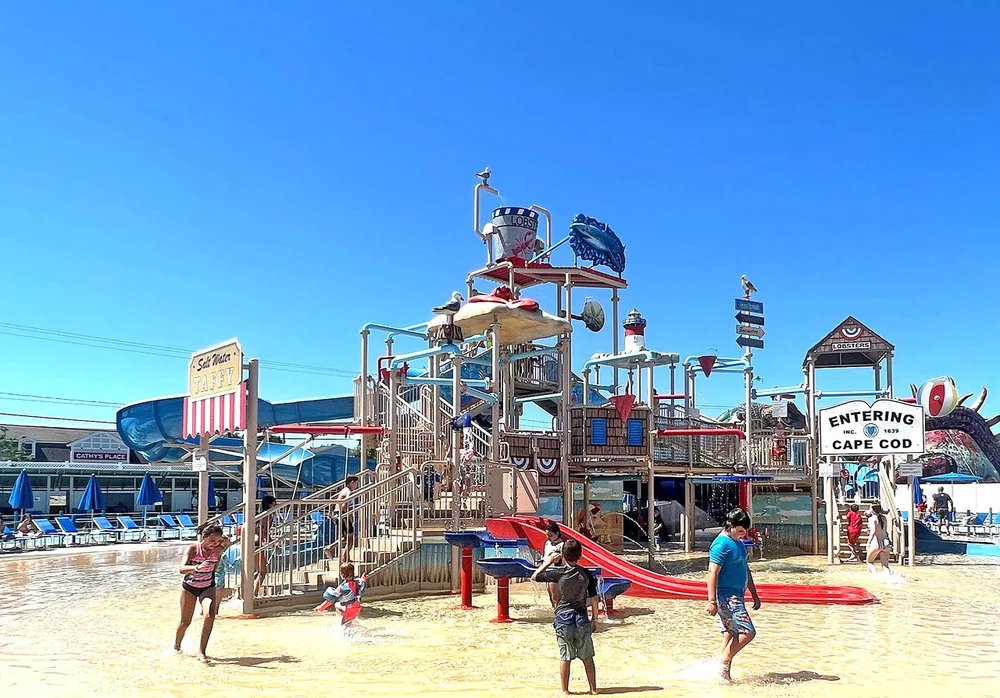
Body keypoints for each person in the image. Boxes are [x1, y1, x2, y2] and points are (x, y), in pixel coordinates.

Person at [531, 539, 599, 695]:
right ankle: (593, 689)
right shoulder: (586, 573)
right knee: (587, 656)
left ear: (562, 555)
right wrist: (595, 620)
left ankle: (565, 691)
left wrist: (548, 562)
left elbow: (535, 576)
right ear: (580, 556)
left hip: (563, 618)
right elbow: (594, 599)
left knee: (565, 657)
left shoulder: (558, 572)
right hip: (581, 619)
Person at [706, 508, 761, 683]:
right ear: (730, 526)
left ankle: (722, 674)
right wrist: (712, 601)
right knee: (747, 632)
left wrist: (754, 594)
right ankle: (724, 659)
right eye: (741, 530)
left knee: (730, 633)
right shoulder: (721, 544)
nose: (744, 534)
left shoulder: (737, 542)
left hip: (738, 595)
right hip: (727, 598)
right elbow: (712, 572)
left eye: (745, 531)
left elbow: (745, 569)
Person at [174, 524, 230, 662]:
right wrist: (197, 567)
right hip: (190, 587)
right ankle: (176, 647)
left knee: (210, 616)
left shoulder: (217, 550)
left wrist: (222, 543)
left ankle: (202, 652)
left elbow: (227, 541)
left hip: (207, 586)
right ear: (203, 537)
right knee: (185, 622)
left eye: (217, 541)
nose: (214, 544)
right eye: (211, 540)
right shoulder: (193, 549)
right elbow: (181, 569)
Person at [324, 475, 360, 562]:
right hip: (343, 515)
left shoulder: (343, 490)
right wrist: (350, 515)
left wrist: (330, 511)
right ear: (352, 483)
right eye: (356, 483)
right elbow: (344, 505)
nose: (357, 485)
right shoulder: (349, 492)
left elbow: (332, 498)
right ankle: (345, 556)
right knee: (351, 538)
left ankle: (329, 548)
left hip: (337, 515)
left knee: (345, 538)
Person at [253, 495, 277, 597]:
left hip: (252, 543)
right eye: (274, 503)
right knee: (263, 571)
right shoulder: (268, 515)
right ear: (271, 504)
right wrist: (273, 544)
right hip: (256, 544)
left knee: (256, 571)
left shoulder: (260, 515)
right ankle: (253, 594)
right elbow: (265, 532)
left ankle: (246, 590)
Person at [542, 521, 565, 609]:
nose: (548, 537)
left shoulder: (561, 545)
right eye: (546, 535)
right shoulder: (547, 543)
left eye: (550, 535)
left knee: (556, 598)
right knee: (551, 598)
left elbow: (564, 560)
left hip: (556, 573)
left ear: (557, 533)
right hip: (548, 571)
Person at [865, 504, 892, 574]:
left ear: (873, 510)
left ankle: (875, 575)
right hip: (886, 542)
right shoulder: (884, 518)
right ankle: (889, 576)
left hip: (877, 542)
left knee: (869, 562)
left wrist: (868, 543)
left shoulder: (872, 519)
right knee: (885, 565)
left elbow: (873, 532)